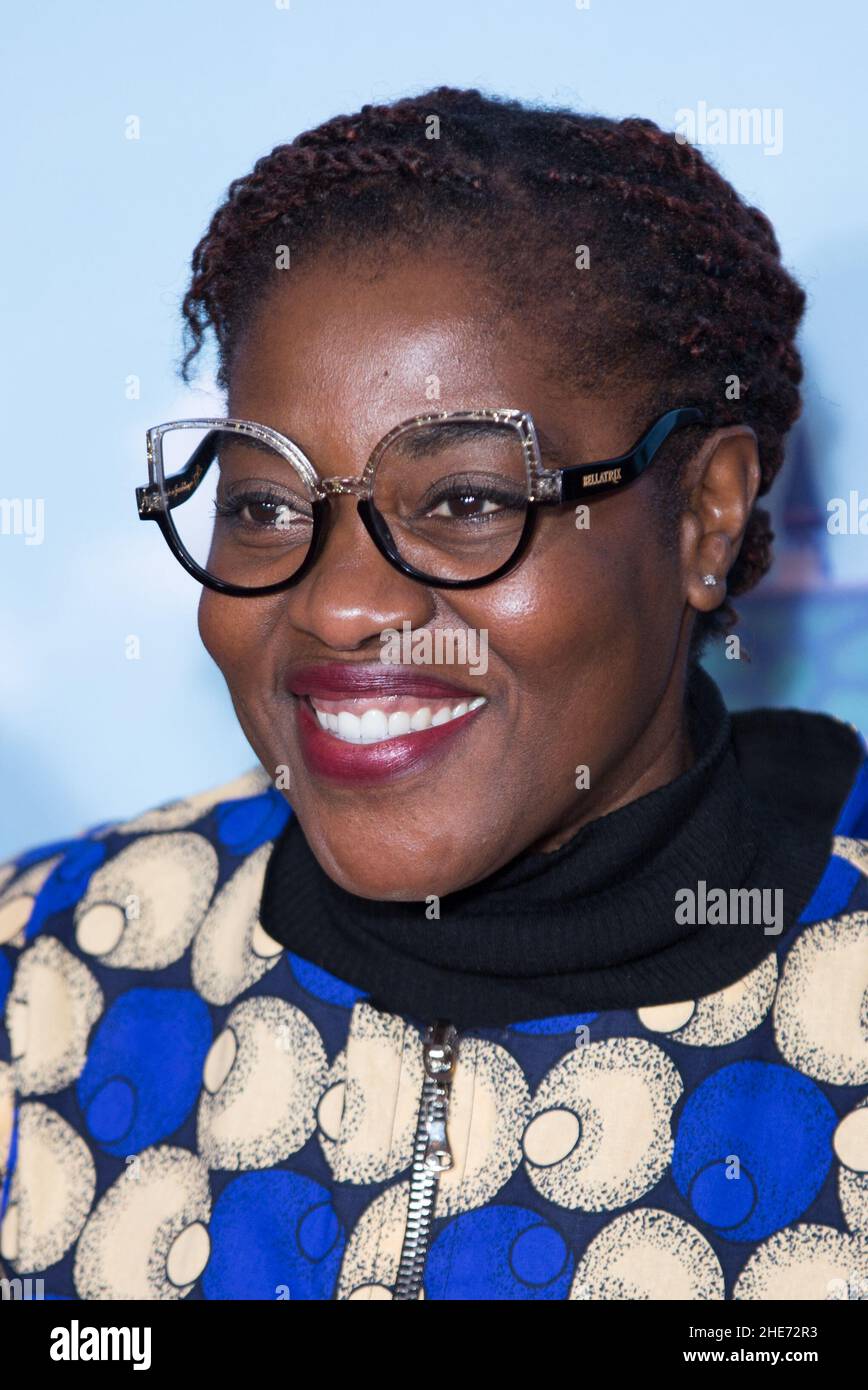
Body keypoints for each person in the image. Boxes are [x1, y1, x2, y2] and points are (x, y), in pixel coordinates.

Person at [1, 86, 866, 1303]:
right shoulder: (47, 966)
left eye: (464, 501)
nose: (338, 604)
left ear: (705, 521)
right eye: (263, 504)